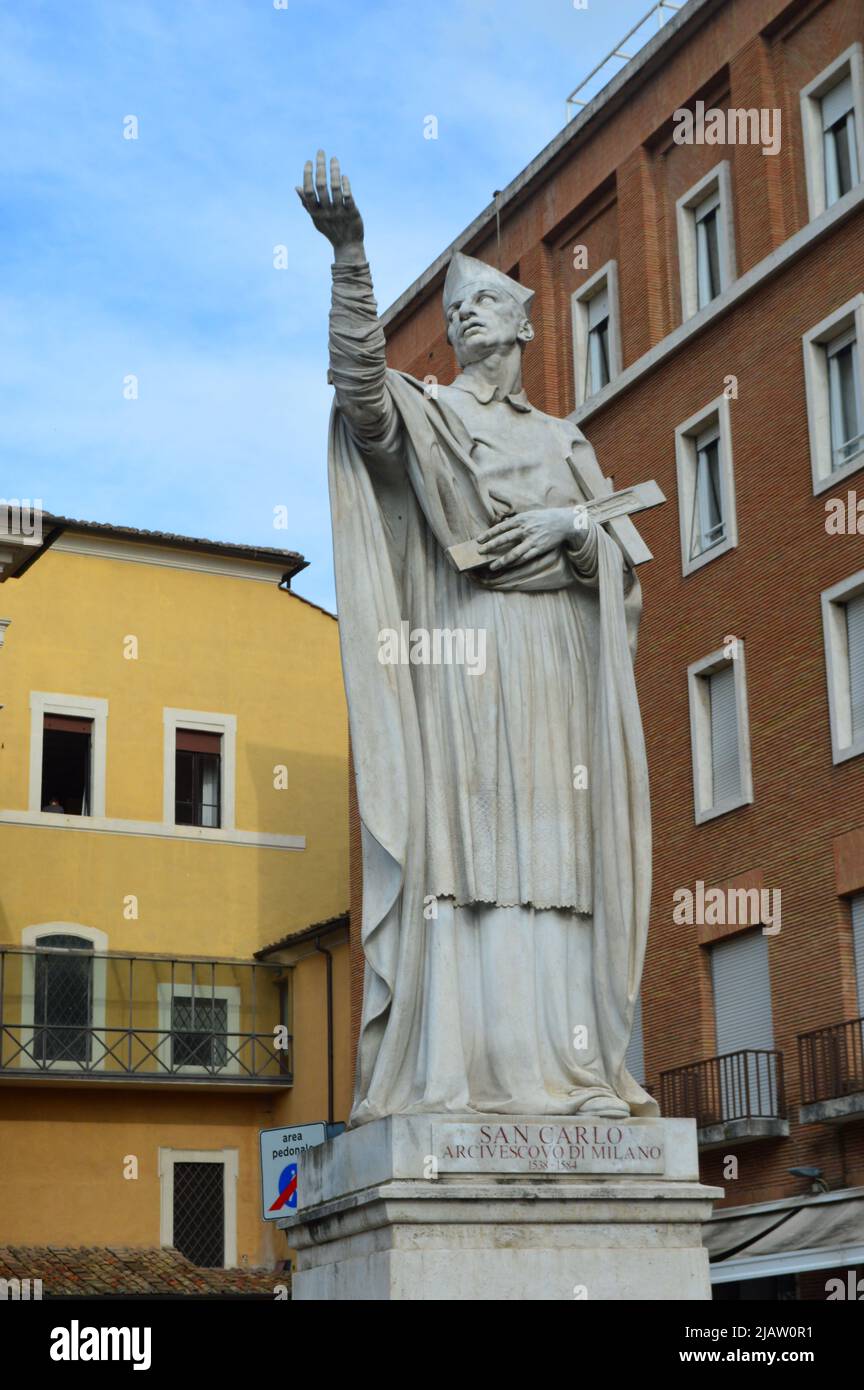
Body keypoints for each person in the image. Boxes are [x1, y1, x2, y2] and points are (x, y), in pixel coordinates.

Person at [298, 152, 656, 1124]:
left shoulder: (566, 444)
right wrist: (350, 259)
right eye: (457, 316)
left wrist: (572, 531)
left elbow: (624, 571)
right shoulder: (434, 419)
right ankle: (461, 1074)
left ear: (524, 328)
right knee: (474, 862)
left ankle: (574, 1077)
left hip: (556, 671)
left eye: (484, 311)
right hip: (466, 661)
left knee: (559, 866)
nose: (466, 323)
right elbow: (363, 398)